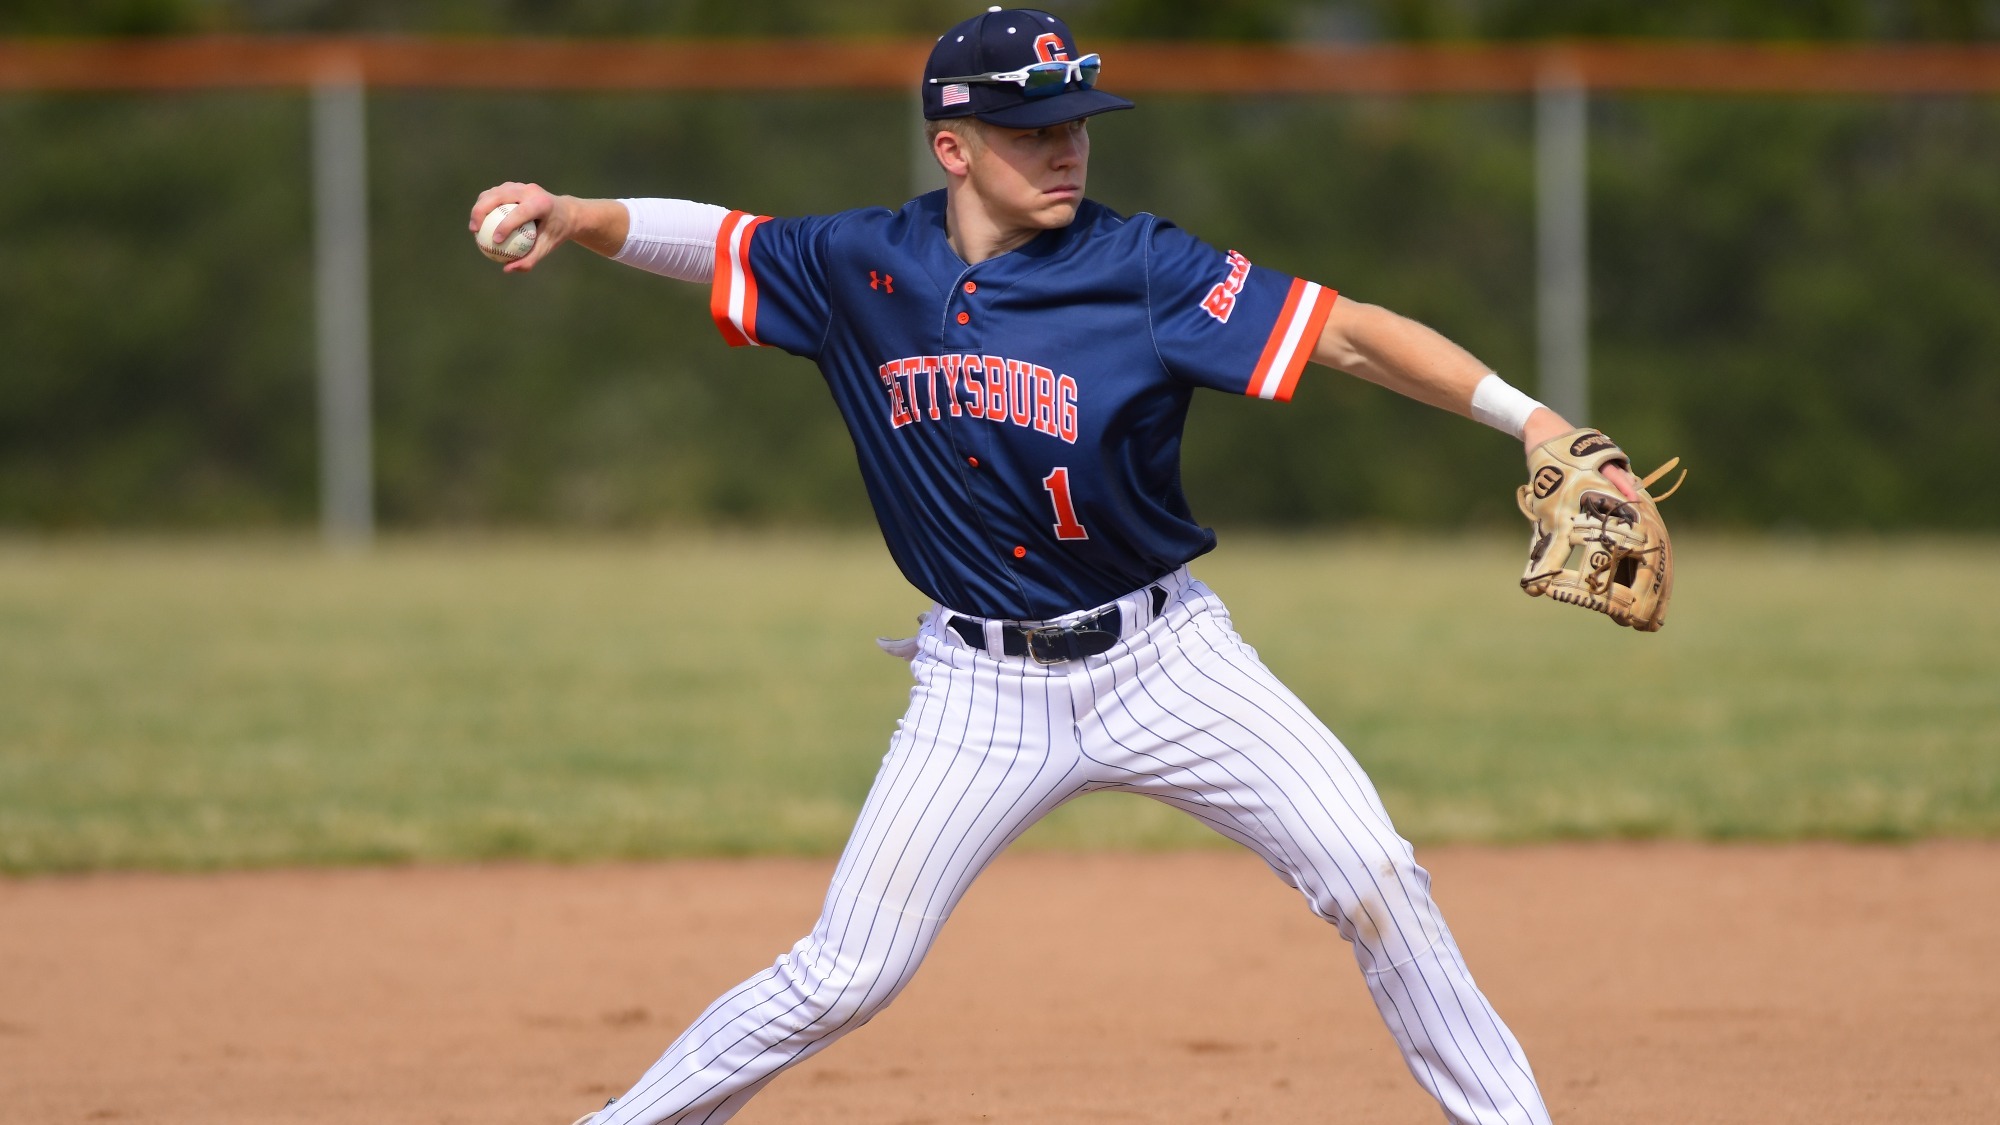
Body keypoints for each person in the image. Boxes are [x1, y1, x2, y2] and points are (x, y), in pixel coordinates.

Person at [473, 9, 1636, 1124]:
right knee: (846, 974)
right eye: (1032, 131)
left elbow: (1344, 332)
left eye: (1075, 124)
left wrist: (1532, 422)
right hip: (977, 689)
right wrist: (574, 213)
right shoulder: (860, 265)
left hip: (1167, 661)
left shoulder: (1143, 267)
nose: (1064, 148)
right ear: (954, 148)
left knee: (1375, 874)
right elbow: (720, 240)